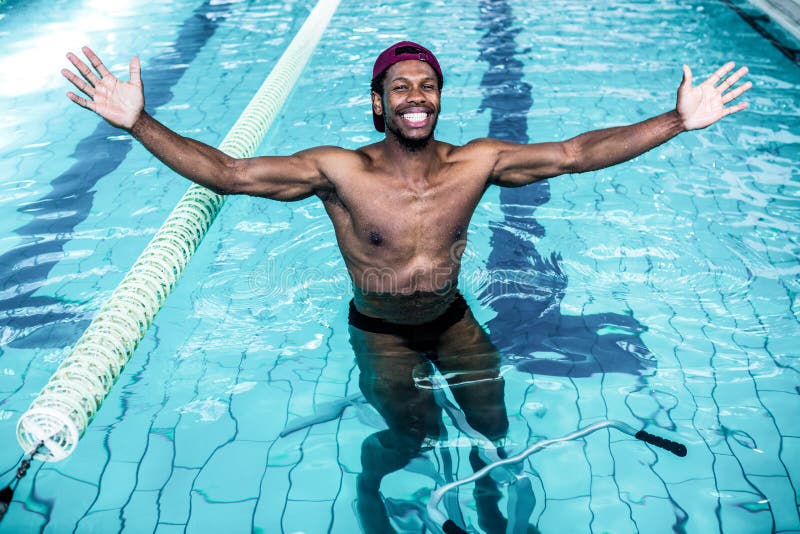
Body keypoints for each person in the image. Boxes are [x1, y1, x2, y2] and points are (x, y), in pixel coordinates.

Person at [62, 41, 750, 533]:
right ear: (378, 103)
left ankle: (494, 510)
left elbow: (573, 155)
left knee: (495, 425)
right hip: (382, 332)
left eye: (427, 85)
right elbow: (232, 175)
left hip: (453, 319)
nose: (416, 96)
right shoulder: (338, 170)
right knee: (411, 437)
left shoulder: (476, 162)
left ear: (438, 98)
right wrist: (137, 123)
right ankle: (371, 477)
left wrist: (677, 120)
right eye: (401, 87)